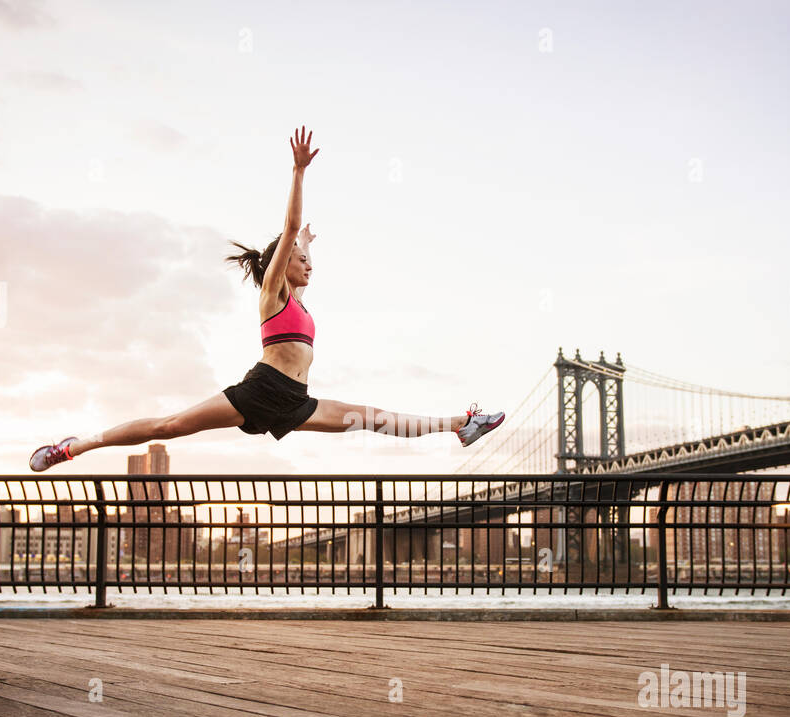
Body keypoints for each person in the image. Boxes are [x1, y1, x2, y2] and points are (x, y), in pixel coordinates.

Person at [30, 127, 504, 471]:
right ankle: (73, 447)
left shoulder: (298, 296)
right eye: (299, 259)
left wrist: (309, 247)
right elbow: (291, 231)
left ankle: (463, 424)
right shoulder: (272, 293)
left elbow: (303, 249)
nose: (308, 265)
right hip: (259, 391)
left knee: (372, 419)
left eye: (307, 260)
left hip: (295, 401)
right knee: (168, 427)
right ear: (281, 261)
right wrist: (298, 174)